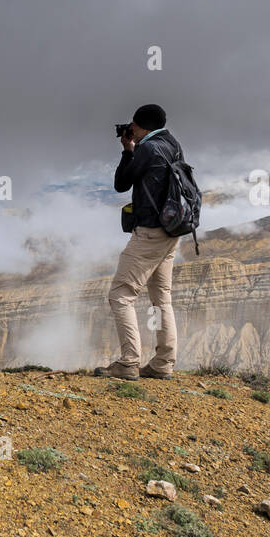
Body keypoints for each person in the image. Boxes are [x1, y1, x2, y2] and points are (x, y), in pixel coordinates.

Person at [97, 103, 183, 380]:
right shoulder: (173, 144)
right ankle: (163, 363)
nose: (130, 129)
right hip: (172, 231)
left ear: (139, 125)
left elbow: (122, 183)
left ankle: (128, 362)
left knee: (121, 295)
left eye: (132, 125)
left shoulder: (147, 148)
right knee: (161, 299)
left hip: (150, 233)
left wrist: (127, 150)